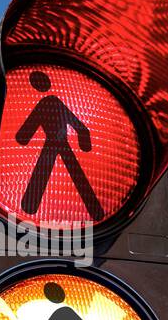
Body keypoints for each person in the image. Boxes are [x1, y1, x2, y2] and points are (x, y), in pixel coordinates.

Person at [15, 69, 105, 221]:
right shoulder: (50, 102)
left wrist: (23, 137)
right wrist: (84, 139)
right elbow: (77, 125)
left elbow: (30, 128)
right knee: (72, 173)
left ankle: (29, 206)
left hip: (56, 143)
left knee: (46, 171)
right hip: (58, 143)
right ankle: (95, 210)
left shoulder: (49, 102)